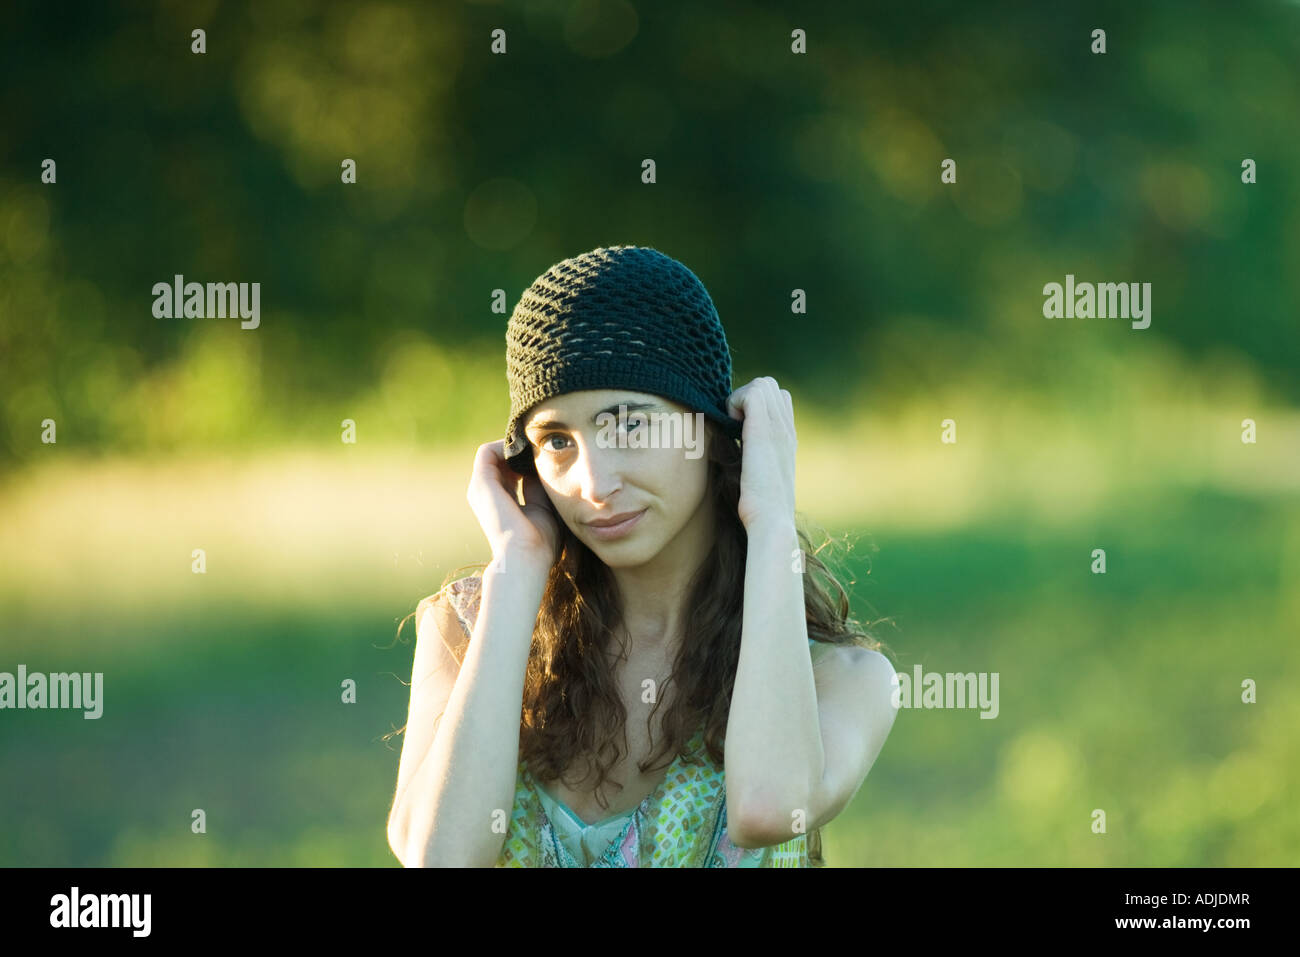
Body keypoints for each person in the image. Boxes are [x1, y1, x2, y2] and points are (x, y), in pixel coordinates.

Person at [386, 245, 899, 867]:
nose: (593, 483)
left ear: (708, 427)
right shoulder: (468, 630)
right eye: (557, 440)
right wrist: (518, 565)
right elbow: (438, 859)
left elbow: (766, 807)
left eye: (628, 424)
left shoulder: (840, 679)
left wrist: (768, 519)